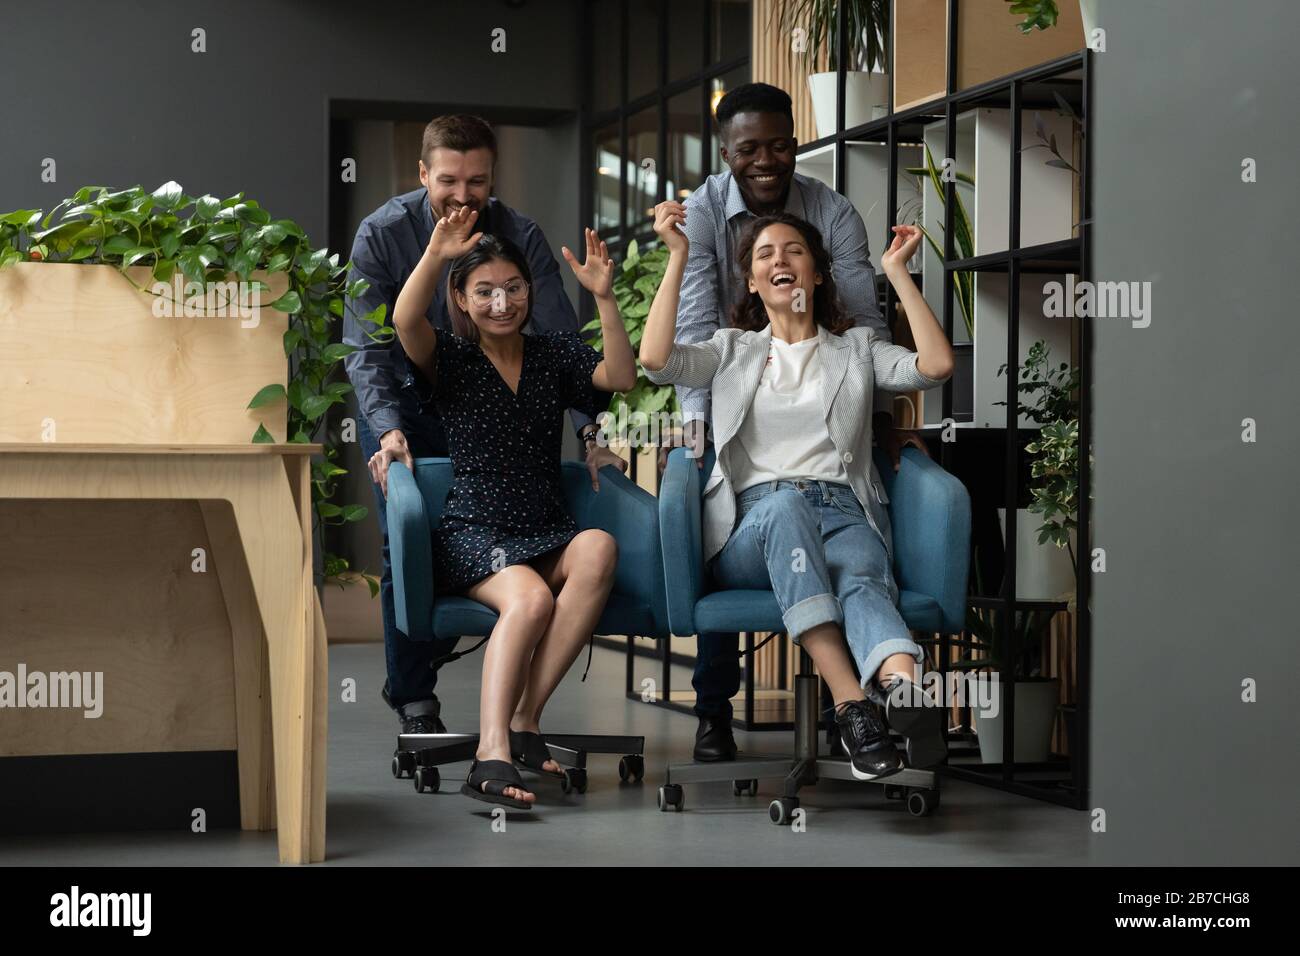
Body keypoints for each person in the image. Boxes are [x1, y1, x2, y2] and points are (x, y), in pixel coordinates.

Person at [664, 82, 932, 761]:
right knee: (748, 495)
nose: (765, 159)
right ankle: (717, 706)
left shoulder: (832, 211)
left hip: (831, 461)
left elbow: (866, 318)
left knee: (857, 569)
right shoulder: (701, 217)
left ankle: (897, 699)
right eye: (748, 148)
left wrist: (868, 412)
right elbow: (687, 332)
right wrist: (705, 432)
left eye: (779, 145)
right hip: (733, 393)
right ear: (725, 152)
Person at [342, 114, 627, 738]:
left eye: (477, 181)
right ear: (423, 175)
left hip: (493, 407)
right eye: (449, 181)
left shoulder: (517, 232)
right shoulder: (383, 233)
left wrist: (590, 430)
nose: (463, 195)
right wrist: (387, 429)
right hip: (406, 407)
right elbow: (369, 346)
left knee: (498, 534)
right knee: (408, 538)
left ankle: (508, 702)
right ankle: (416, 697)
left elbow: (558, 345)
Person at [380, 203, 636, 808]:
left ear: (529, 290)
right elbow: (403, 318)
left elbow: (621, 377)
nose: (502, 302)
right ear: (463, 300)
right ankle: (489, 753)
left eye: (513, 288)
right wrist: (437, 255)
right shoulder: (451, 359)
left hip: (545, 528)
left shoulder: (552, 354)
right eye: (485, 292)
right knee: (529, 597)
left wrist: (603, 296)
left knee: (599, 547)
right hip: (476, 532)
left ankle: (525, 720)